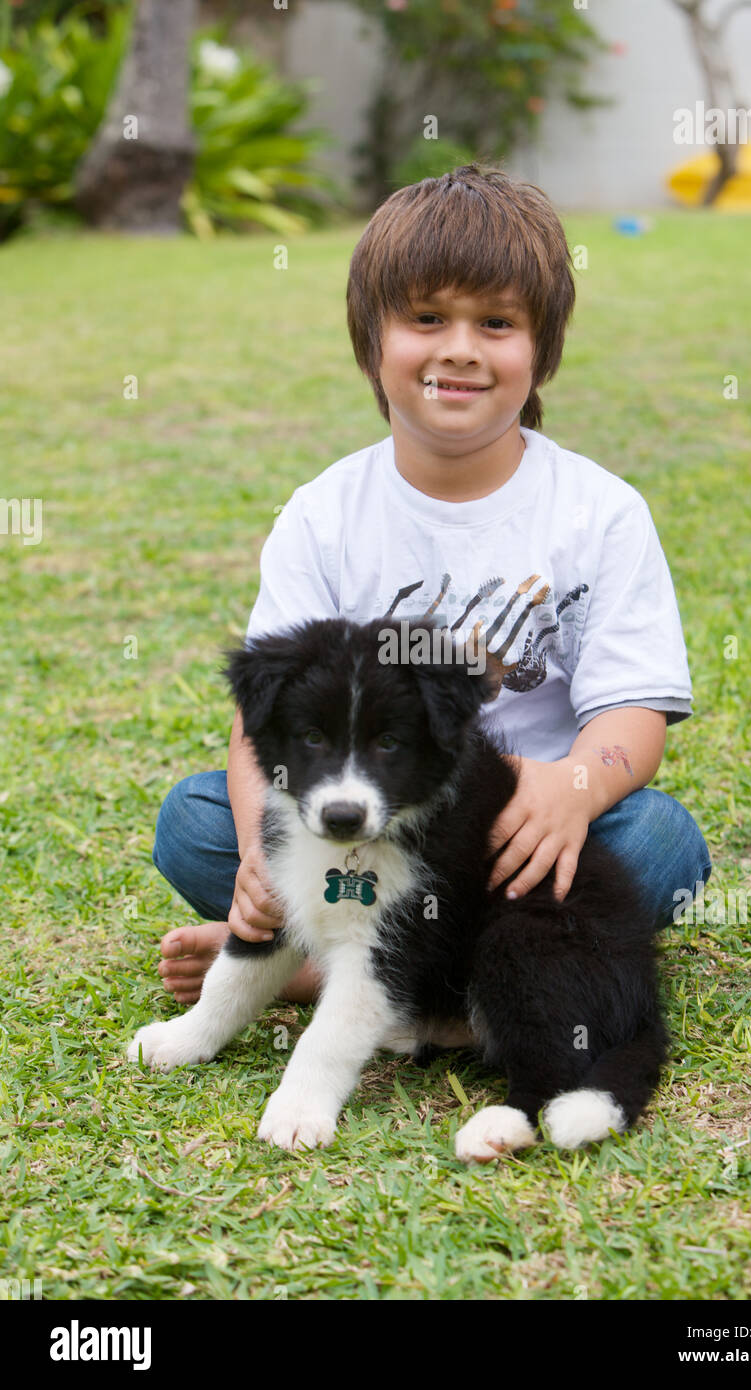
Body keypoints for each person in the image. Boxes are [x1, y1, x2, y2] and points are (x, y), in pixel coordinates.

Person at [153, 165, 711, 1007]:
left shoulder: (599, 512)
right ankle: (447, 982)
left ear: (542, 347)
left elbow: (630, 710)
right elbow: (259, 722)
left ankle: (338, 976)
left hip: (519, 833)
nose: (459, 347)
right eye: (425, 317)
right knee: (193, 824)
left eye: (495, 322)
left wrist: (575, 787)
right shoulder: (325, 514)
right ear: (371, 340)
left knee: (660, 842)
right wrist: (260, 862)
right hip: (364, 829)